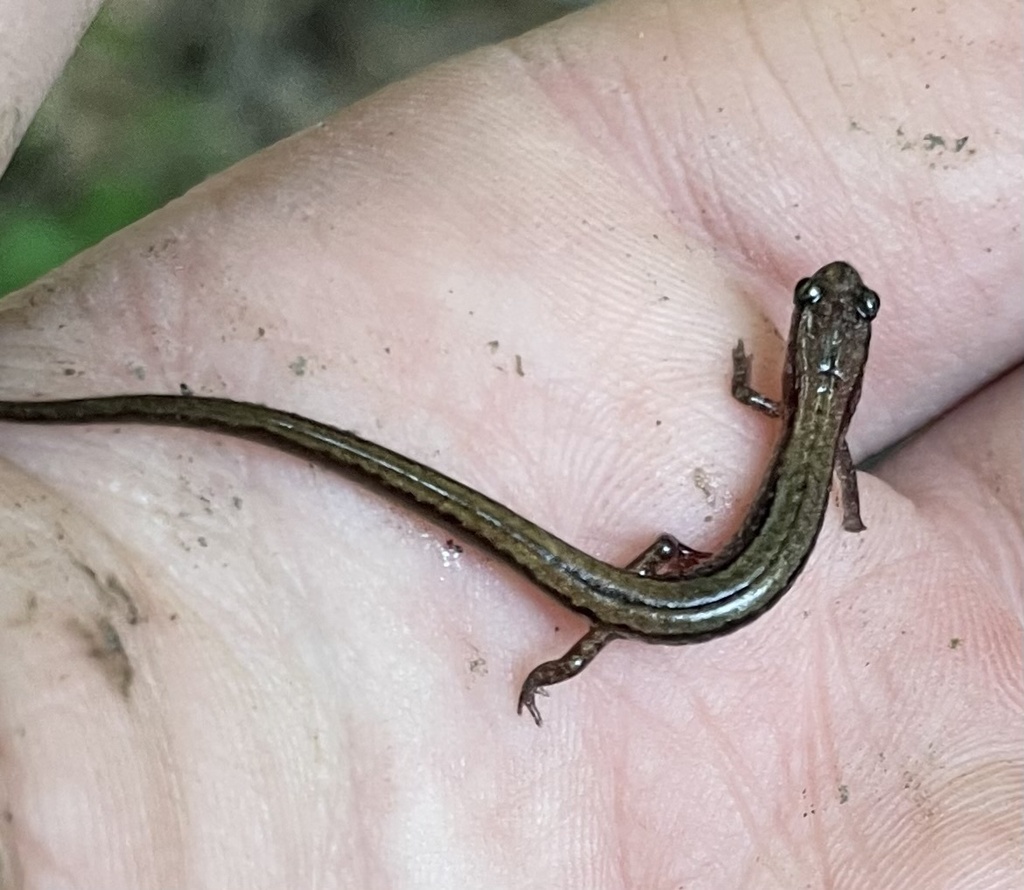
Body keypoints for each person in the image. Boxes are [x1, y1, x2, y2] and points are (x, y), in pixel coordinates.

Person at [0, 0, 1020, 885]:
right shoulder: (823, 436)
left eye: (841, 306)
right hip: (690, 597)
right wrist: (824, 510)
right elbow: (824, 474)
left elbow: (767, 414)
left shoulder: (795, 413)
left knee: (642, 581)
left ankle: (593, 632)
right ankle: (593, 631)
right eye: (820, 301)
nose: (831, 297)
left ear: (812, 362)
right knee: (643, 578)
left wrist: (606, 618)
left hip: (679, 601)